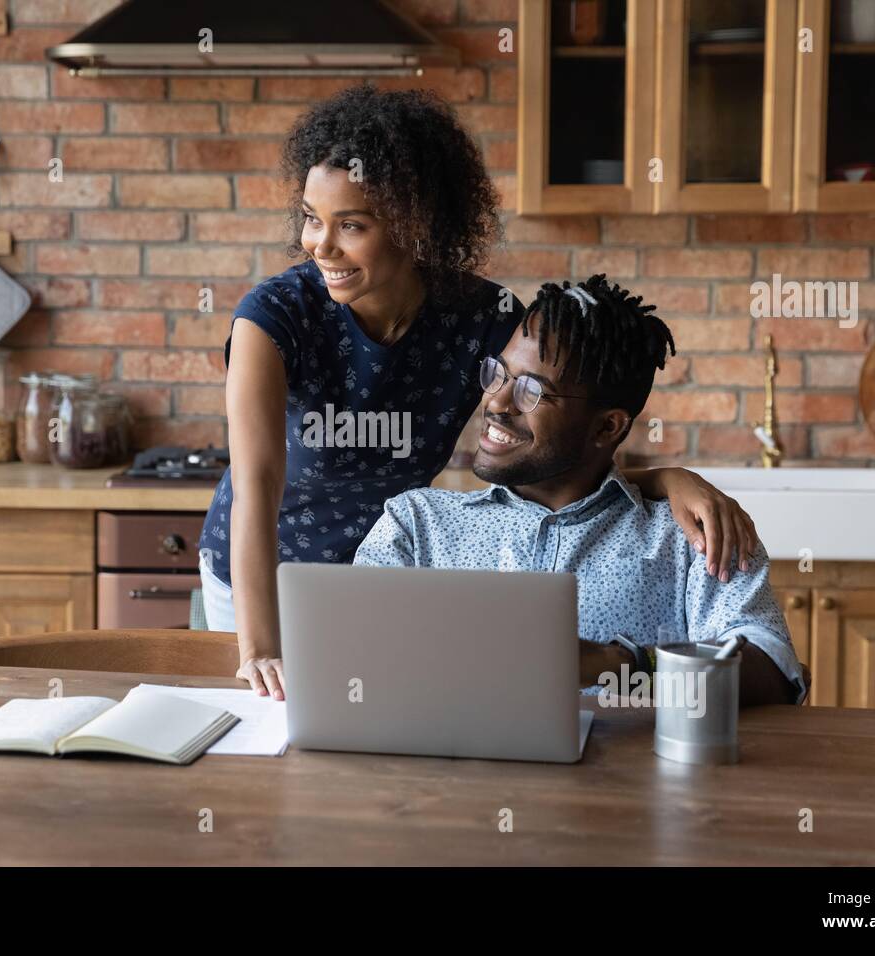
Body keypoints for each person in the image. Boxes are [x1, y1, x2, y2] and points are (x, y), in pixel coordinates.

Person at [197, 86, 762, 701]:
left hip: (383, 571)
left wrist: (669, 479)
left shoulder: (481, 315)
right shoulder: (275, 316)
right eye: (311, 217)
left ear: (416, 227)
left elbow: (555, 430)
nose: (319, 245)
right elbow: (257, 481)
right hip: (260, 577)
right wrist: (260, 647)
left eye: (350, 225)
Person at [353, 276, 808, 706]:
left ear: (607, 427)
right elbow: (347, 655)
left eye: (532, 391)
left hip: (623, 785)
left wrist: (614, 664)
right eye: (499, 374)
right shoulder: (416, 524)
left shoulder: (688, 535)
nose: (496, 402)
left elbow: (773, 667)